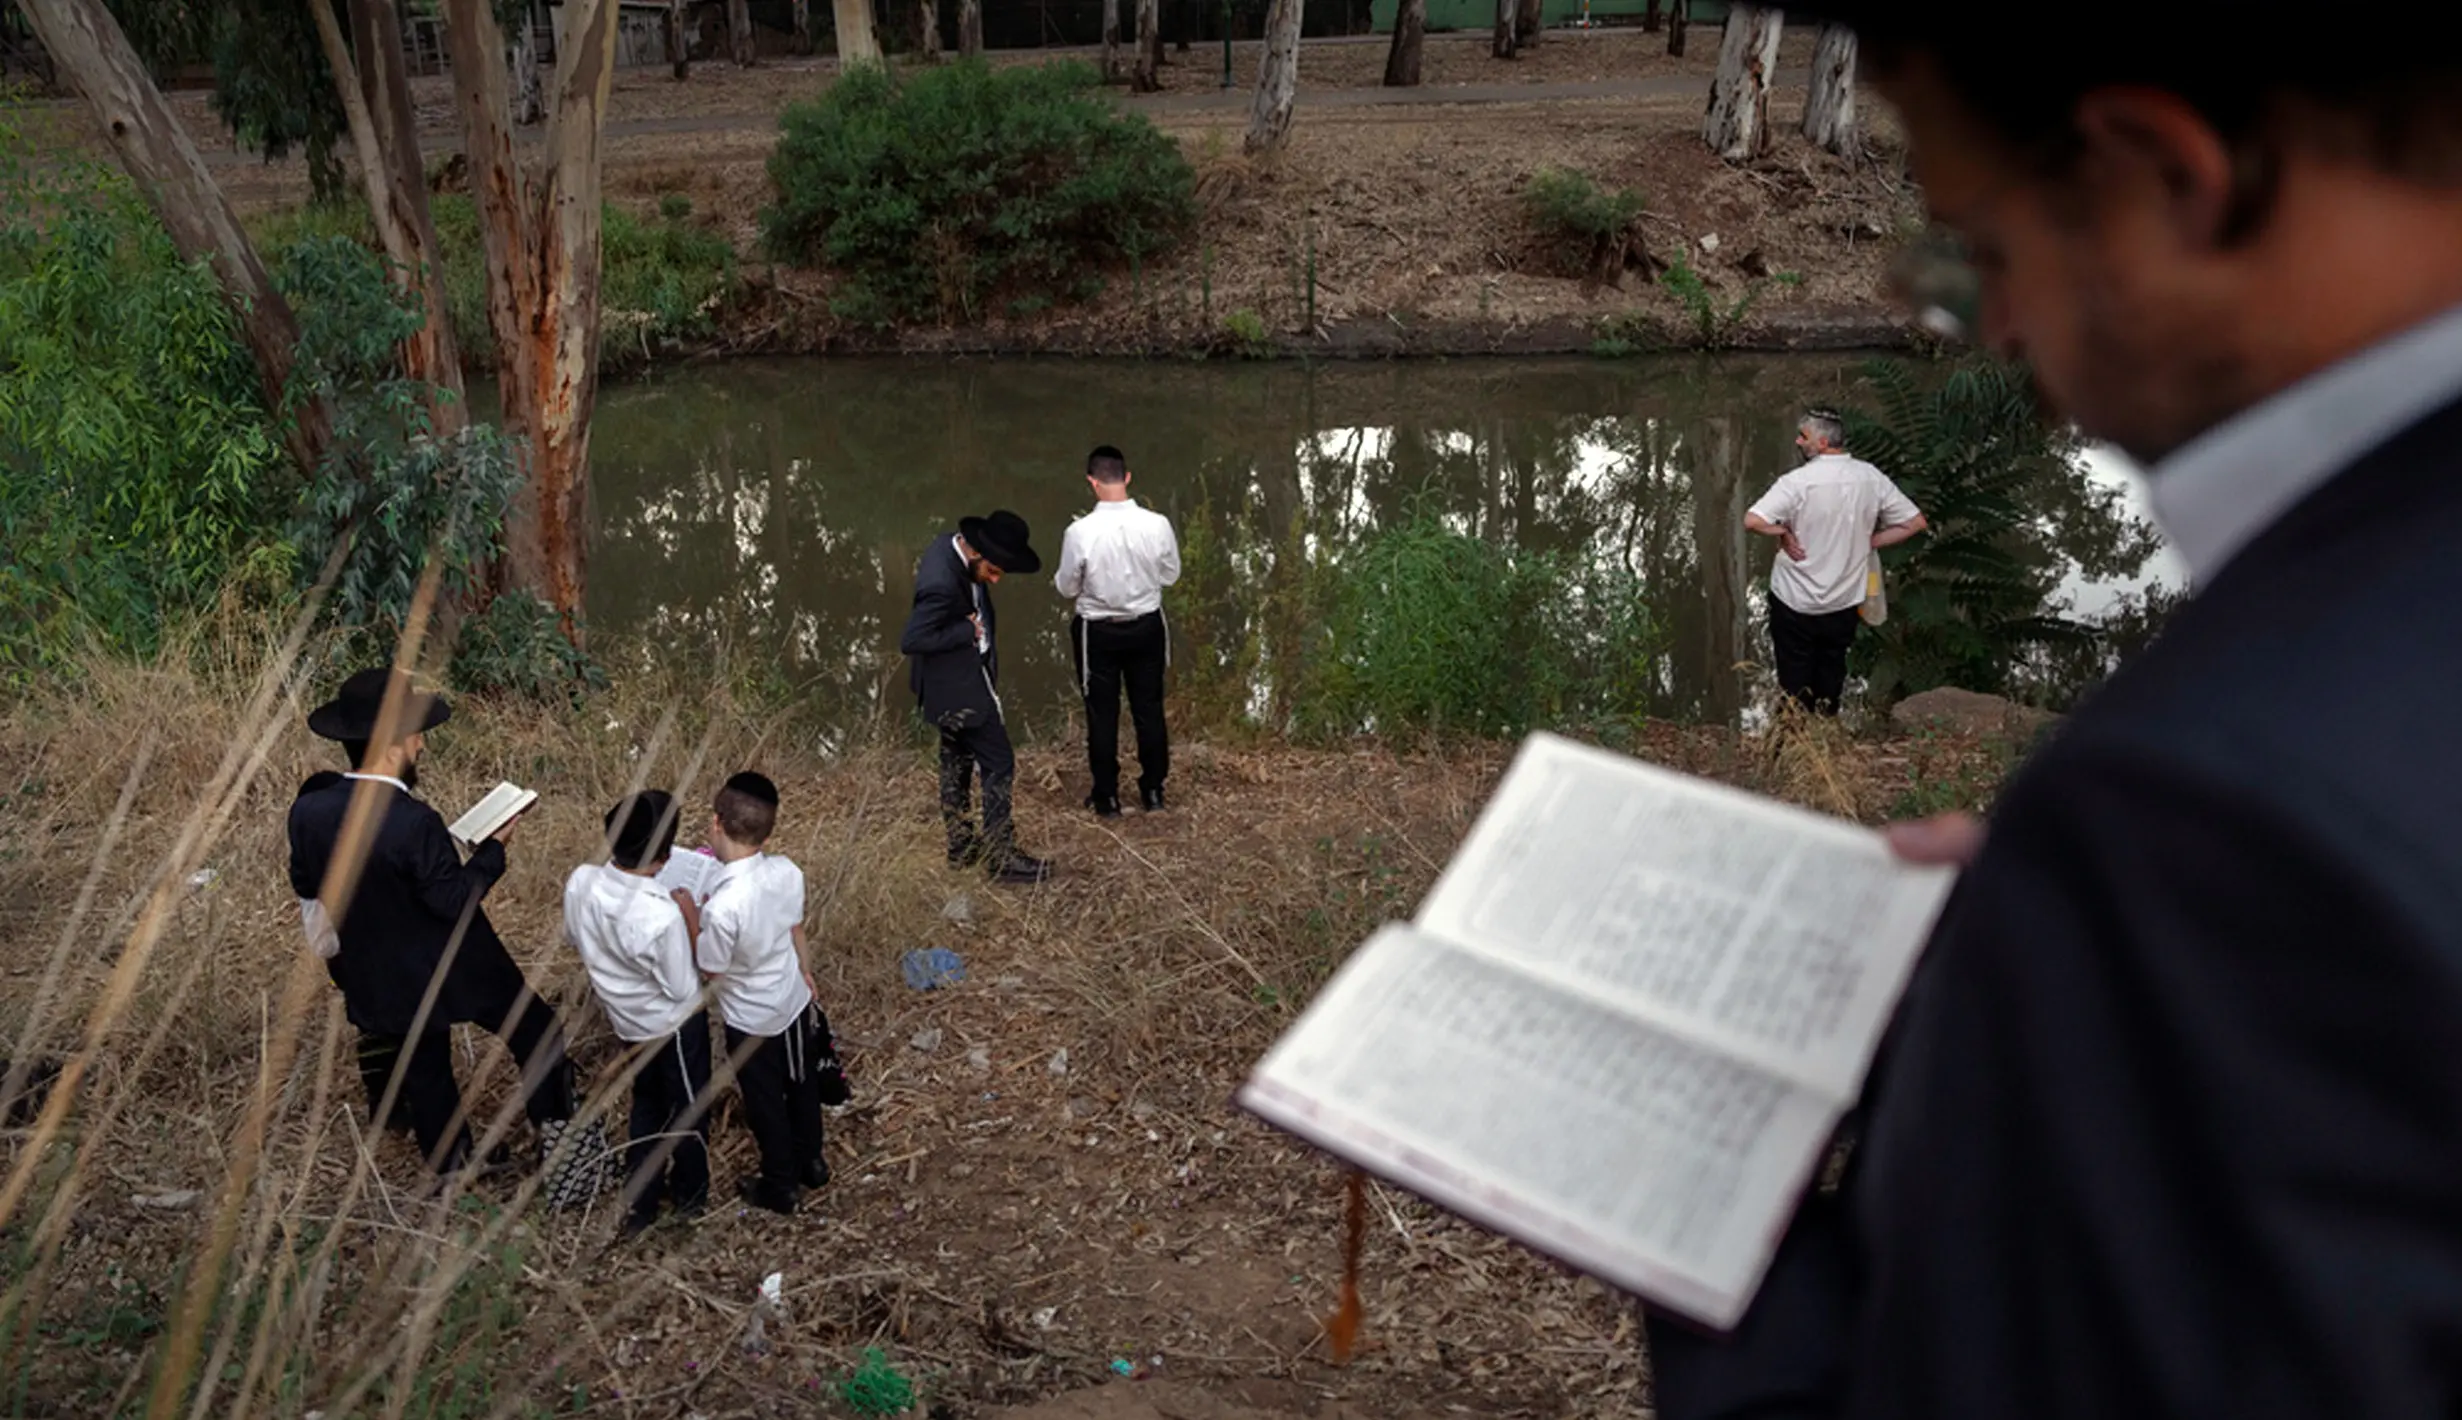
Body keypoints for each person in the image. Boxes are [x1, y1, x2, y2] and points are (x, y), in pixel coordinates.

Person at [1649, 10, 2462, 1420]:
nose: (1999, 327)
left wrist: (1703, 1201)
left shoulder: (2201, 821)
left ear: (2153, 171)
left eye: (1981, 249)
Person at [286, 667, 579, 1183]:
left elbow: (311, 890)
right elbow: (453, 901)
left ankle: (450, 1162)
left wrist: (338, 958)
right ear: (396, 744)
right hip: (454, 959)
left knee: (423, 1059)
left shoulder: (309, 811)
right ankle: (561, 1150)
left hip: (377, 964)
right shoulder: (412, 821)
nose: (421, 745)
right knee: (536, 1030)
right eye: (417, 734)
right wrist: (492, 851)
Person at [564, 790, 712, 1241]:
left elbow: (574, 938)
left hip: (626, 1022)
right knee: (689, 1108)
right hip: (673, 1026)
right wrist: (691, 919)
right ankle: (689, 1197)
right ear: (666, 855)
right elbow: (685, 989)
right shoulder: (660, 916)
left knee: (647, 1102)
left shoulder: (581, 882)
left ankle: (640, 1201)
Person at [694, 771, 827, 1214]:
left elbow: (711, 968)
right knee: (803, 1084)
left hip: (750, 1020)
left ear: (716, 823)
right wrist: (806, 975)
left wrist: (688, 913)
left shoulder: (722, 907)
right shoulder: (787, 871)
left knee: (765, 1102)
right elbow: (796, 929)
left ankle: (780, 1184)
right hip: (790, 1001)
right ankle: (812, 1161)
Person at [899, 509, 1053, 885]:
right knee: (999, 761)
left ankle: (962, 845)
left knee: (957, 761)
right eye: (994, 571)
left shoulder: (951, 547)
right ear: (976, 554)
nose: (996, 581)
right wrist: (964, 632)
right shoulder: (939, 583)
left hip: (951, 683)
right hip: (958, 687)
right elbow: (912, 640)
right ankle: (1002, 859)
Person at [1742, 413, 1927, 715]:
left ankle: (1793, 741)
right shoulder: (1870, 476)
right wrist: (1871, 540)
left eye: (1803, 436)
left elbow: (1753, 520)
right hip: (1843, 600)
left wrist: (1783, 532)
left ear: (1823, 443)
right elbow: (1914, 522)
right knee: (1832, 670)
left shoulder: (1797, 482)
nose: (1798, 441)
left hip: (1794, 599)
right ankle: (1827, 731)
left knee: (1794, 678)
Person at [1053, 444, 1182, 817]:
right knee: (1149, 709)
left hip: (1099, 631)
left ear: (1092, 482)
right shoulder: (1157, 525)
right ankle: (1153, 790)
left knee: (1101, 713)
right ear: (1127, 478)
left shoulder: (1079, 532)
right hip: (1147, 626)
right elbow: (1171, 575)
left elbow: (1067, 587)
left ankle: (1107, 796)